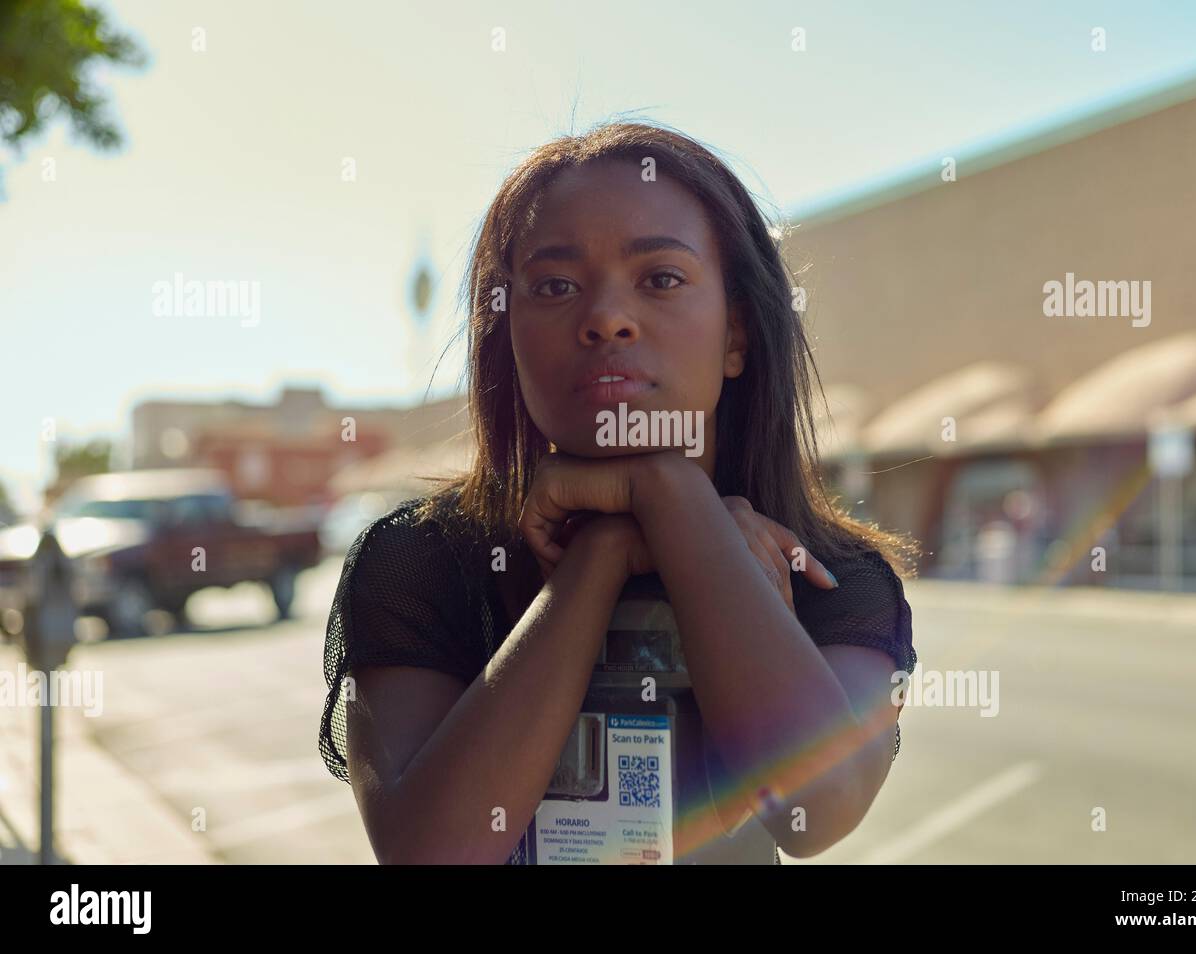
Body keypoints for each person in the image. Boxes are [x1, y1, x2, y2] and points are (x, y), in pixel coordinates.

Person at [318, 121, 920, 864]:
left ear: (736, 334)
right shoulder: (422, 562)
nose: (605, 317)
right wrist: (601, 553)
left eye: (661, 278)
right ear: (506, 333)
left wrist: (668, 493)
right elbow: (434, 855)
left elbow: (818, 809)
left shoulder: (831, 576)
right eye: (556, 286)